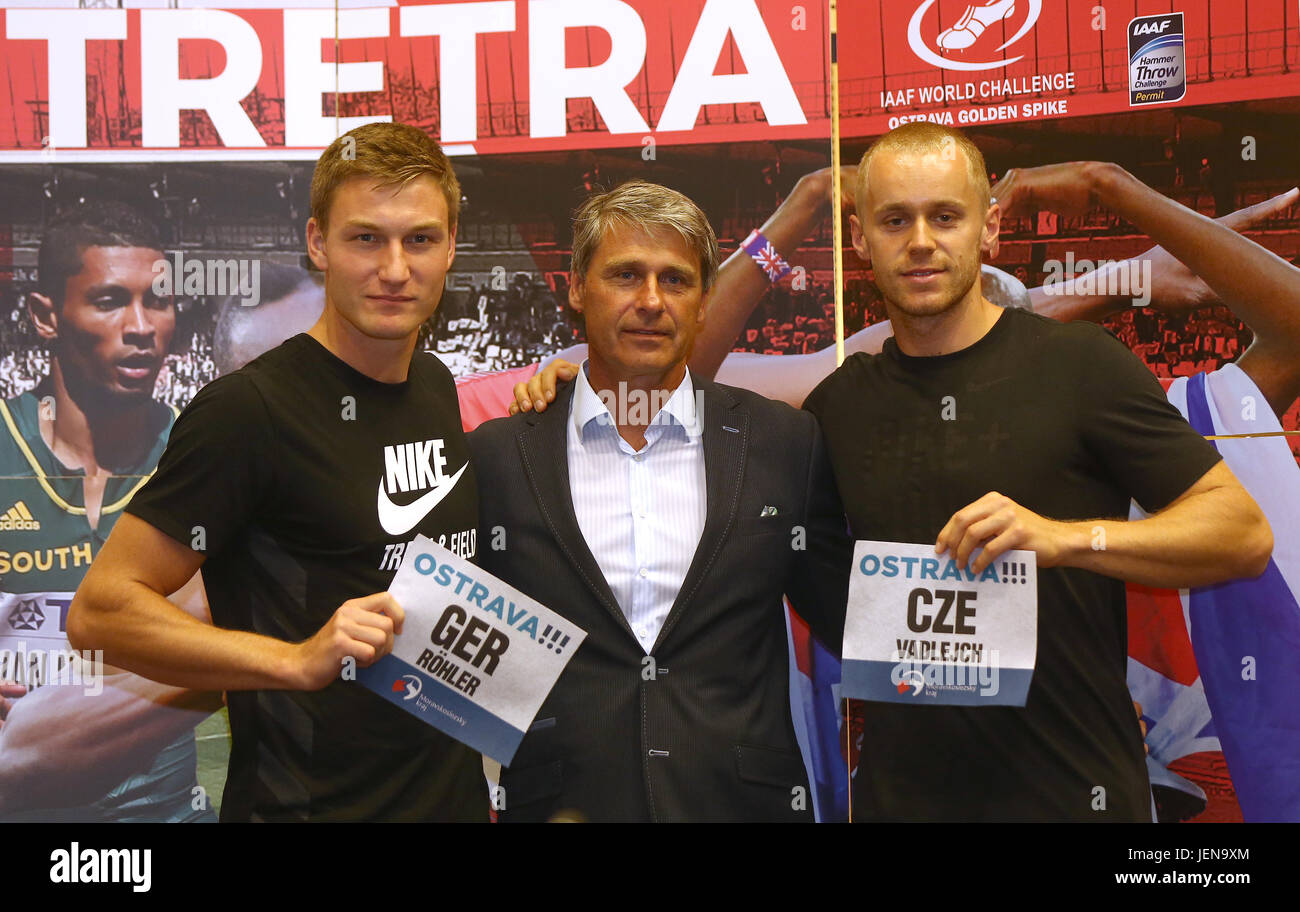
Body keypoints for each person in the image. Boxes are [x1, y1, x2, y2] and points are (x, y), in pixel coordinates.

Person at [801, 123, 1271, 821]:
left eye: (946, 216)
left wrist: (1069, 539)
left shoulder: (1080, 365)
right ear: (861, 240)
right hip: (903, 801)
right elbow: (819, 580)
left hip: (1074, 794)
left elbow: (1241, 533)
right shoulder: (838, 405)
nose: (921, 240)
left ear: (989, 231)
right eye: (895, 219)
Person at [66, 122, 485, 822]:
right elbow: (100, 611)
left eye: (419, 239)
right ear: (318, 243)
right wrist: (294, 659)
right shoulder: (248, 410)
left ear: (449, 248)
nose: (393, 268)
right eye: (365, 239)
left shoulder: (437, 385)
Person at [467, 180, 852, 822]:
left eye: (675, 280)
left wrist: (1013, 620)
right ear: (576, 286)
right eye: (625, 275)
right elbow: (451, 656)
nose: (651, 302)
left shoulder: (785, 442)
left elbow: (849, 616)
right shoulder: (499, 456)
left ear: (704, 301)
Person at [0, 201, 218, 821]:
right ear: (47, 316)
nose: (142, 326)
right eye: (108, 301)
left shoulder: (205, 459)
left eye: (158, 301)